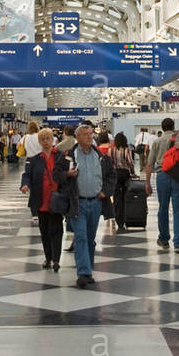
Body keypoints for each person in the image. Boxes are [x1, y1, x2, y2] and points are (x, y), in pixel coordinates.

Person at [54, 122, 115, 289]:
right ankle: (84, 272)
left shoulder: (101, 156)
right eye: (86, 134)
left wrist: (106, 191)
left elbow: (111, 175)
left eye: (91, 134)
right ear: (77, 137)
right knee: (80, 236)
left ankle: (88, 269)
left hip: (95, 202)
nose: (90, 136)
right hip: (77, 202)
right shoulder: (68, 155)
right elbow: (56, 175)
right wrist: (67, 174)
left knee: (89, 238)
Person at [20, 127, 64, 270]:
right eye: (43, 139)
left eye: (48, 138)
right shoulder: (35, 160)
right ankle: (48, 257)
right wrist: (25, 185)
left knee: (56, 229)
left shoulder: (61, 156)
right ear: (39, 141)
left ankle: (56, 259)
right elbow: (27, 175)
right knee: (44, 230)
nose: (46, 142)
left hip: (56, 200)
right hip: (41, 200)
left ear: (53, 140)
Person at [147, 118, 179, 253]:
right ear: (173, 126)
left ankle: (163, 238)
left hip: (162, 175)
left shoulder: (157, 141)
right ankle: (178, 243)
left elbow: (150, 164)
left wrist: (147, 183)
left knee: (163, 208)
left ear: (162, 128)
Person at [109, 132, 135, 232]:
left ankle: (118, 221)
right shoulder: (127, 149)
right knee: (125, 197)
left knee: (116, 198)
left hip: (115, 174)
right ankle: (125, 219)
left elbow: (109, 163)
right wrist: (133, 172)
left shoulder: (111, 150)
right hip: (125, 174)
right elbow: (130, 162)